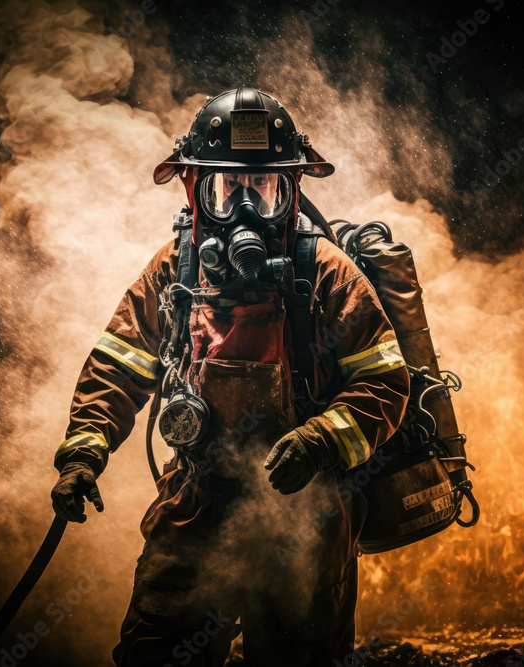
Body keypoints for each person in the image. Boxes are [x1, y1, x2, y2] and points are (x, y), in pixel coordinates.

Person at [50, 86, 410, 666]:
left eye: (262, 189)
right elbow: (117, 367)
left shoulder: (325, 274)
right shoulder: (176, 268)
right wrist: (81, 455)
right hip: (198, 500)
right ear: (197, 190)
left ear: (289, 191)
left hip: (306, 513)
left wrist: (321, 440)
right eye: (226, 188)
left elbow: (387, 384)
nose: (244, 208)